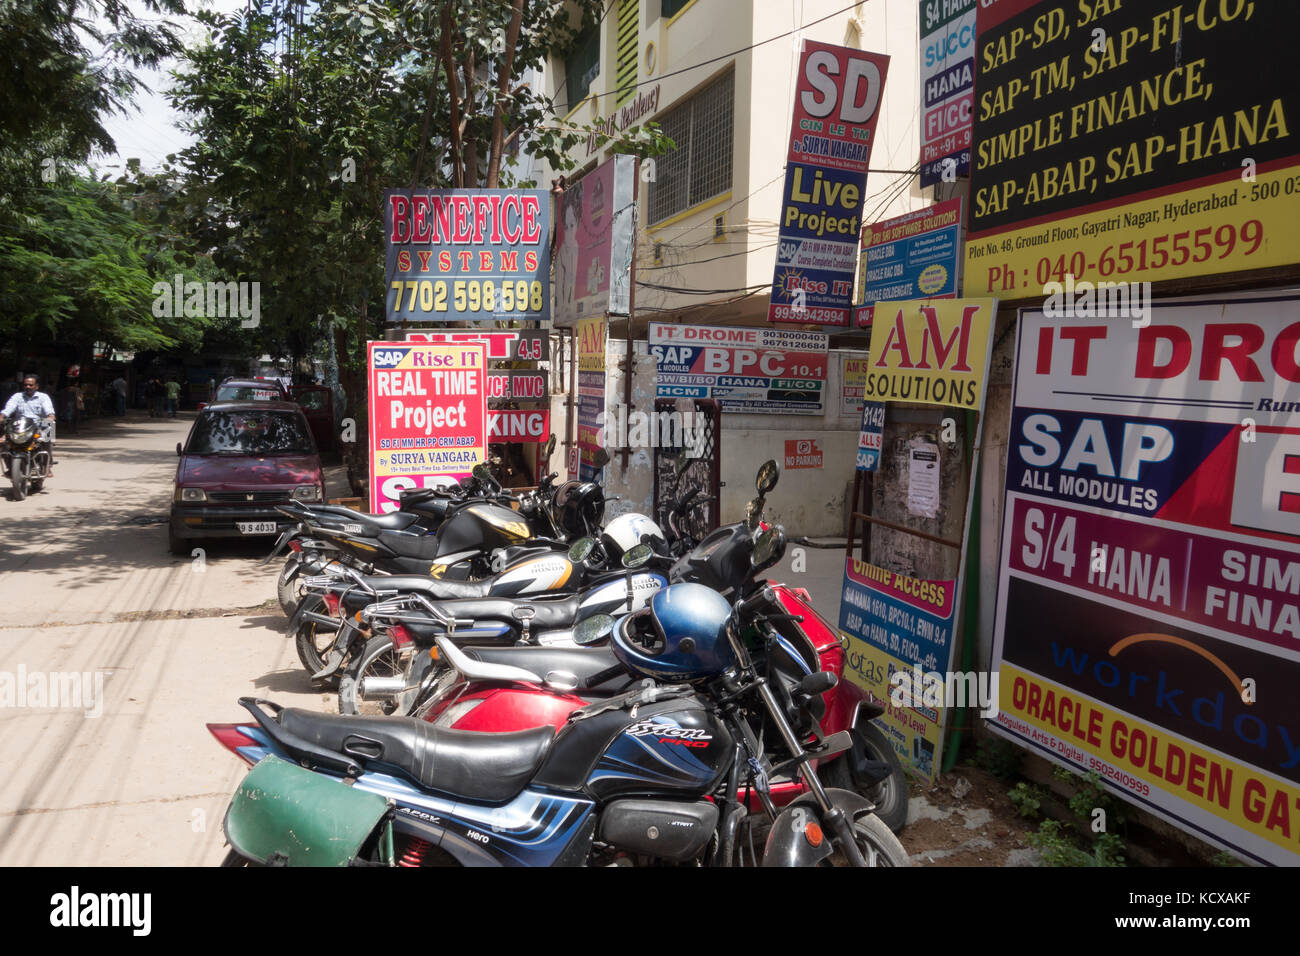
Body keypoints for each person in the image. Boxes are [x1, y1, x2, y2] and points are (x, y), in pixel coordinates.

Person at [1, 375, 57, 476]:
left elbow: (48, 409)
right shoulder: (17, 396)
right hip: (20, 426)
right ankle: (10, 467)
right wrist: (2, 416)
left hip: (38, 426)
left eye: (30, 385)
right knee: (4, 442)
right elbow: (9, 408)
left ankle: (46, 466)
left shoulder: (43, 397)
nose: (28, 387)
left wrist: (50, 416)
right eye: (26, 385)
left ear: (36, 386)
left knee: (47, 437)